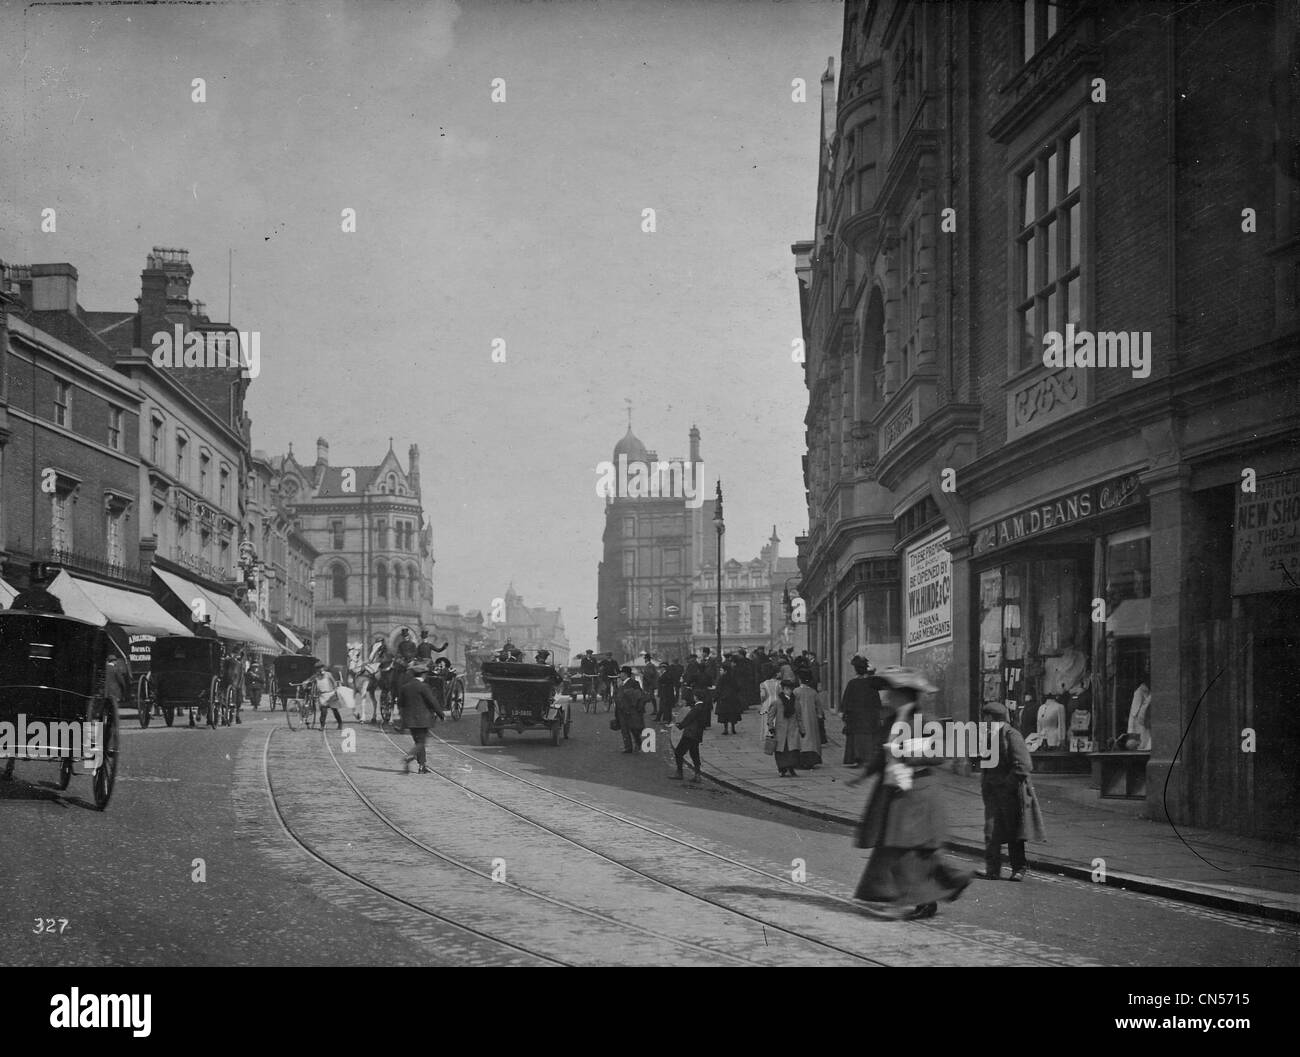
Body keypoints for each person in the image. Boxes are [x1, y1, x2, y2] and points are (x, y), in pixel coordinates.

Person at [848, 667, 973, 920]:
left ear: (904, 695)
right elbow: (881, 755)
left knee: (905, 849)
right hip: (895, 792)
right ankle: (942, 885)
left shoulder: (924, 722)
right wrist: (863, 775)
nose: (887, 697)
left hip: (917, 793)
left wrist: (905, 754)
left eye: (892, 693)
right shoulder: (892, 721)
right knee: (898, 846)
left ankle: (926, 896)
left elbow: (938, 755)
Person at [978, 701, 1045, 882]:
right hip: (994, 794)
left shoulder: (1011, 734)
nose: (983, 721)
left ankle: (1019, 868)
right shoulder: (990, 736)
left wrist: (1007, 785)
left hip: (1011, 793)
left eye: (986, 717)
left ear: (992, 718)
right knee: (991, 832)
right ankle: (992, 870)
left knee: (1015, 831)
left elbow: (1024, 765)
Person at [398, 664, 444, 774]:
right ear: (423, 674)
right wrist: (441, 714)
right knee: (421, 742)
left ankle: (422, 766)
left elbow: (400, 703)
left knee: (418, 742)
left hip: (410, 720)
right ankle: (410, 756)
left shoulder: (405, 687)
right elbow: (432, 701)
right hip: (423, 720)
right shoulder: (424, 687)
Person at [839, 655, 880, 765]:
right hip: (869, 718)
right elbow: (877, 702)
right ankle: (868, 757)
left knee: (855, 738)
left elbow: (846, 701)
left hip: (855, 718)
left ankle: (856, 758)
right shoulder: (871, 683)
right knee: (868, 737)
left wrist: (844, 713)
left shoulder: (852, 683)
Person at [768, 674, 805, 776]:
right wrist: (771, 726)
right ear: (783, 689)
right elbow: (770, 715)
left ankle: (791, 768)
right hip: (780, 730)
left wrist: (802, 730)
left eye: (790, 689)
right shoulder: (777, 702)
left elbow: (799, 716)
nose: (789, 691)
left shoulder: (796, 702)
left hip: (793, 730)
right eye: (786, 689)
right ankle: (782, 770)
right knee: (781, 751)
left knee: (793, 751)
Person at [669, 694, 710, 783]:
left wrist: (680, 725)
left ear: (696, 697)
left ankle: (679, 773)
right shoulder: (704, 707)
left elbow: (689, 718)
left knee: (678, 752)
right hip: (697, 734)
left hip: (690, 734)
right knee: (694, 754)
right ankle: (697, 775)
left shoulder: (696, 708)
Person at [794, 669, 823, 768]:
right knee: (811, 737)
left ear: (799, 680)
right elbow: (819, 707)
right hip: (811, 719)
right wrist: (819, 715)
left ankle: (800, 760)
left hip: (799, 718)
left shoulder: (796, 691)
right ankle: (811, 760)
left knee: (801, 738)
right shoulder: (813, 692)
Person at [615, 666, 647, 753]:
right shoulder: (620, 684)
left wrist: (637, 709)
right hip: (621, 710)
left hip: (631, 711)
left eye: (621, 673)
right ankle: (628, 747)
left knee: (633, 729)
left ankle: (638, 742)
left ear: (625, 674)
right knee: (624, 730)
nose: (619, 675)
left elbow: (639, 696)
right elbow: (617, 697)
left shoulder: (634, 683)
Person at [715, 657, 744, 734]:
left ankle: (725, 729)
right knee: (733, 714)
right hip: (733, 698)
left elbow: (718, 689)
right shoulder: (732, 678)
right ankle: (733, 728)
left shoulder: (721, 679)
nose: (720, 671)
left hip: (723, 699)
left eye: (721, 670)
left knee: (724, 715)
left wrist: (716, 697)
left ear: (725, 671)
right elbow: (738, 687)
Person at [312, 661, 344, 730]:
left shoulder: (328, 674)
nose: (320, 670)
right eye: (318, 668)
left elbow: (334, 683)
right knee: (323, 712)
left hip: (330, 694)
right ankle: (322, 726)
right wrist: (304, 682)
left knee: (335, 710)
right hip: (322, 696)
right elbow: (309, 680)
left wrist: (335, 691)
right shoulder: (316, 676)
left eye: (321, 668)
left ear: (323, 668)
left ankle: (340, 723)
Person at [658, 657, 682, 724]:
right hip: (668, 691)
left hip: (667, 692)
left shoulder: (666, 674)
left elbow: (661, 681)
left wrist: (660, 677)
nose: (660, 669)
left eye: (661, 668)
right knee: (667, 706)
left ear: (664, 668)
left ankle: (667, 720)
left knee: (667, 706)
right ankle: (667, 719)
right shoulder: (667, 673)